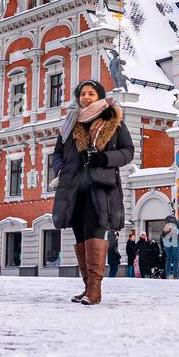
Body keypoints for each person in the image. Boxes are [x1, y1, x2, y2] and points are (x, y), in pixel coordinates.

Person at [50, 80, 133, 305]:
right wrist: (61, 169)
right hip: (74, 188)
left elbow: (128, 152)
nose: (87, 97)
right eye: (83, 94)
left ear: (99, 96)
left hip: (101, 188)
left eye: (92, 93)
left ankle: (95, 290)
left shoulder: (112, 119)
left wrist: (104, 158)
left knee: (95, 232)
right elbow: (57, 153)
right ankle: (87, 288)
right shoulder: (70, 122)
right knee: (80, 235)